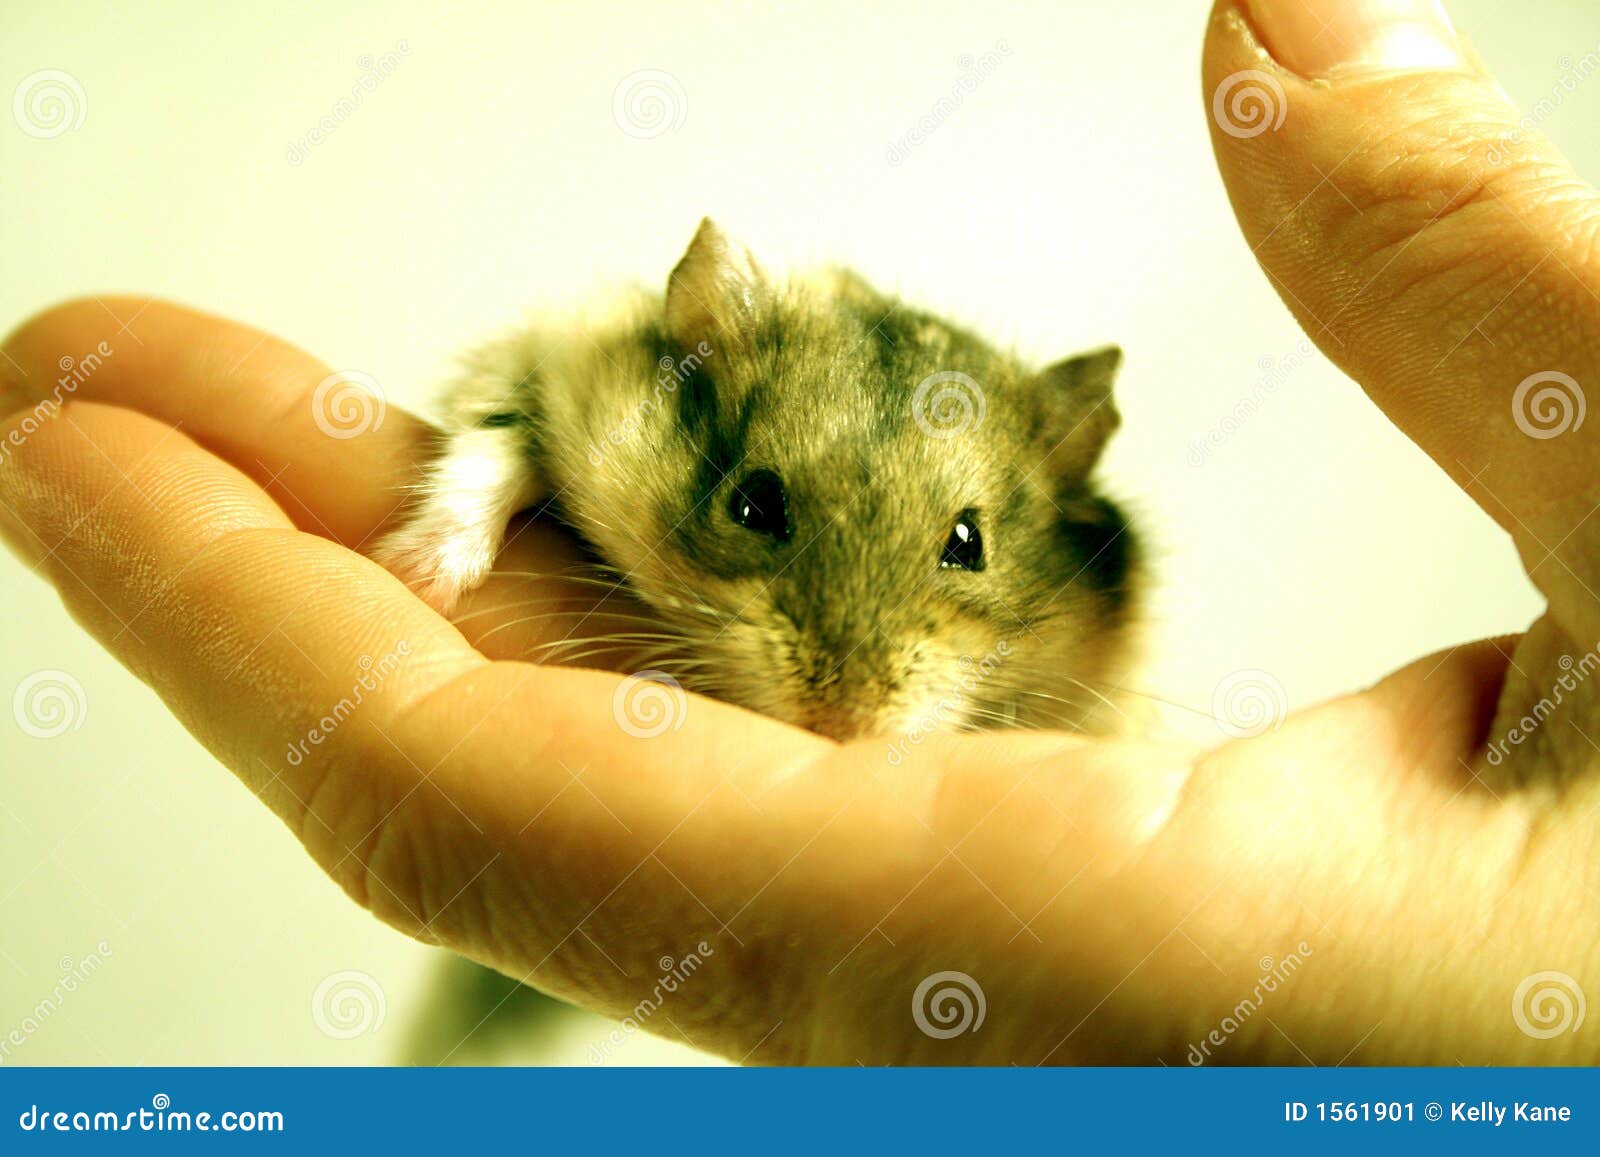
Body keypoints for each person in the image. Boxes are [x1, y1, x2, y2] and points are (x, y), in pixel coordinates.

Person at [2, 0, 1595, 1064]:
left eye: (961, 558)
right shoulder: (653, 373)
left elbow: (1103, 633)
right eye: (760, 512)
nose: (848, 670)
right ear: (698, 369)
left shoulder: (1071, 570)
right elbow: (533, 389)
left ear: (1059, 483)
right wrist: (473, 497)